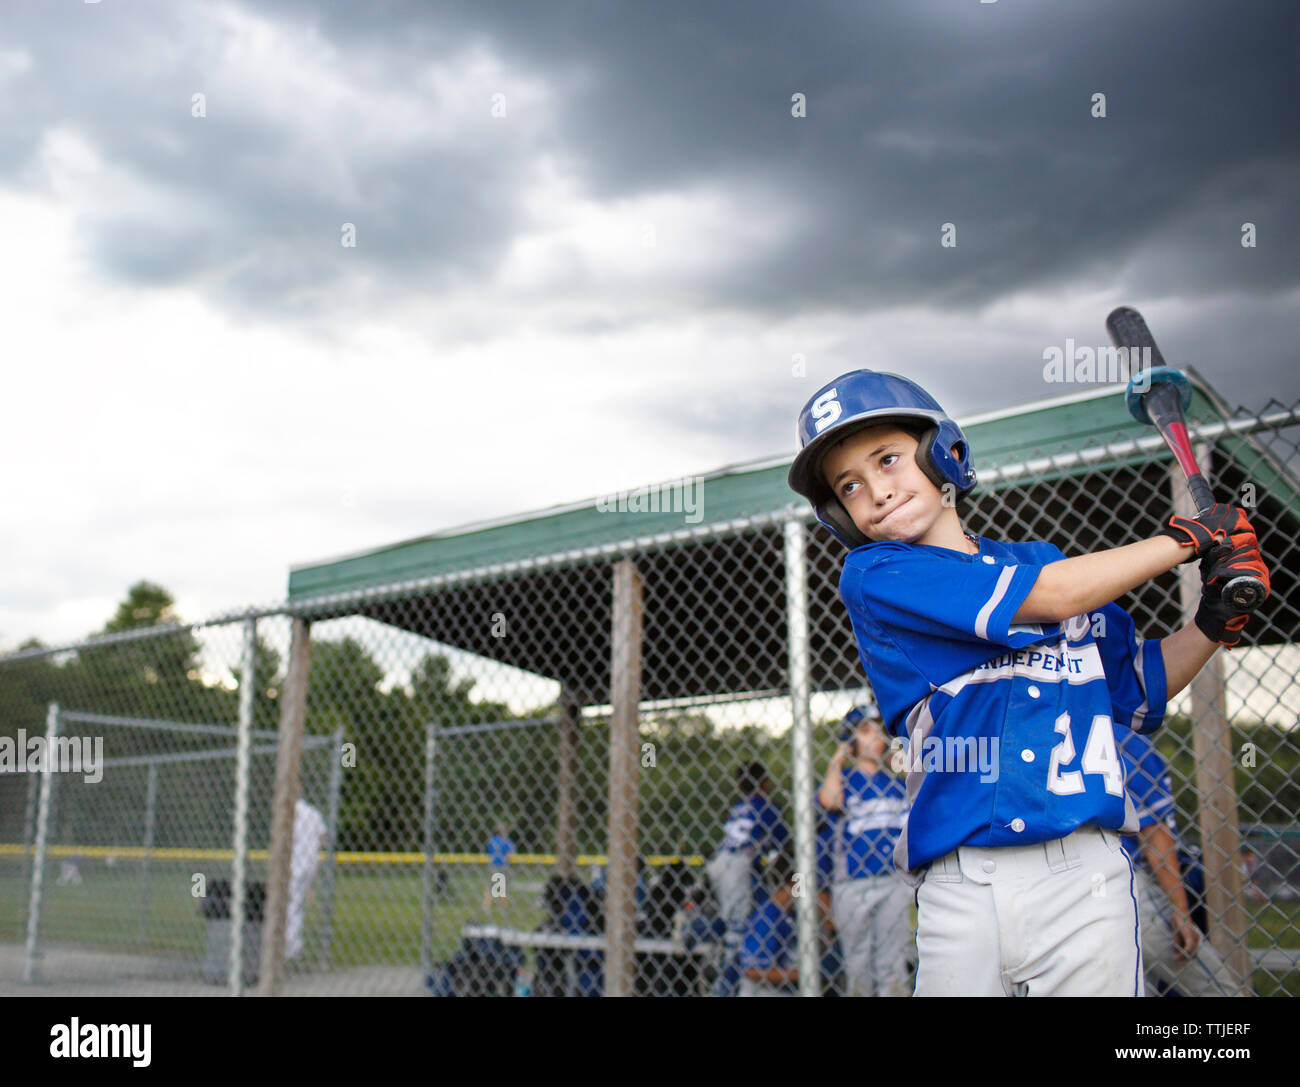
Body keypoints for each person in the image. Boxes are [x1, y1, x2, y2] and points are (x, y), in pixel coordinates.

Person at [787, 369, 1270, 997]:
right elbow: (1054, 596)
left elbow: (1141, 685)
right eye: (849, 485)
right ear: (839, 514)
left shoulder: (1040, 558)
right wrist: (1187, 540)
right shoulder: (877, 574)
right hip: (960, 887)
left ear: (945, 454)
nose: (875, 490)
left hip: (1086, 875)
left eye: (888, 460)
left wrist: (1212, 623)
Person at [1118, 729, 1245, 996]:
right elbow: (1154, 834)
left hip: (1094, 881)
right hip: (1136, 882)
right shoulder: (1125, 737)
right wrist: (1181, 912)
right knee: (1220, 990)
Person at [817, 706, 911, 997]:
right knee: (858, 964)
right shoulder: (845, 780)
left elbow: (920, 799)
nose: (877, 739)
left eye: (879, 732)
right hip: (853, 883)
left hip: (893, 881)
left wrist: (903, 763)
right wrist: (838, 758)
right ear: (851, 739)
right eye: (866, 731)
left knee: (892, 963)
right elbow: (829, 800)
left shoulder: (895, 784)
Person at [705, 761, 790, 996]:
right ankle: (724, 990)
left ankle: (713, 943)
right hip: (738, 867)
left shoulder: (738, 806)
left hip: (721, 863)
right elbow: (785, 842)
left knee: (740, 921)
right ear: (765, 782)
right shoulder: (766, 806)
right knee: (739, 932)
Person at [738, 848, 801, 997]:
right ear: (795, 883)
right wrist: (803, 975)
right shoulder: (768, 915)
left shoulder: (792, 914)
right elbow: (752, 970)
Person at [286, 797, 327, 961]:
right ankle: (294, 945)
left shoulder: (290, 811)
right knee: (297, 904)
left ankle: (290, 946)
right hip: (310, 863)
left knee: (290, 904)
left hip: (294, 863)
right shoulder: (313, 812)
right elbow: (323, 839)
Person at [483, 823, 514, 910]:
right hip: (503, 865)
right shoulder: (506, 841)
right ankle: (502, 907)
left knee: (490, 886)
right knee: (503, 887)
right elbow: (509, 854)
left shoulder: (492, 841)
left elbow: (490, 852)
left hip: (493, 865)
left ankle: (486, 905)